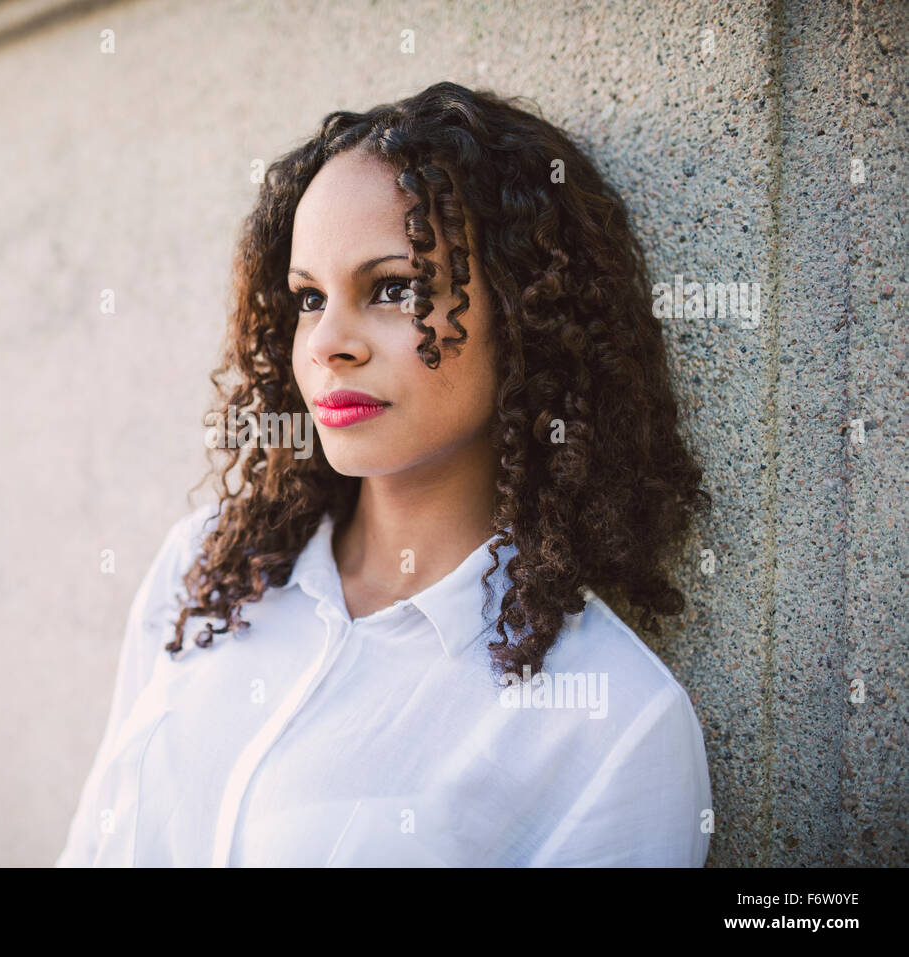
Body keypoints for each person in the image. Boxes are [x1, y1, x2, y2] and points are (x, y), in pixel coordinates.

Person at [56, 81, 712, 867]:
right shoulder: (204, 572)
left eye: (393, 288)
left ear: (525, 312)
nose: (328, 342)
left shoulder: (612, 724)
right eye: (308, 297)